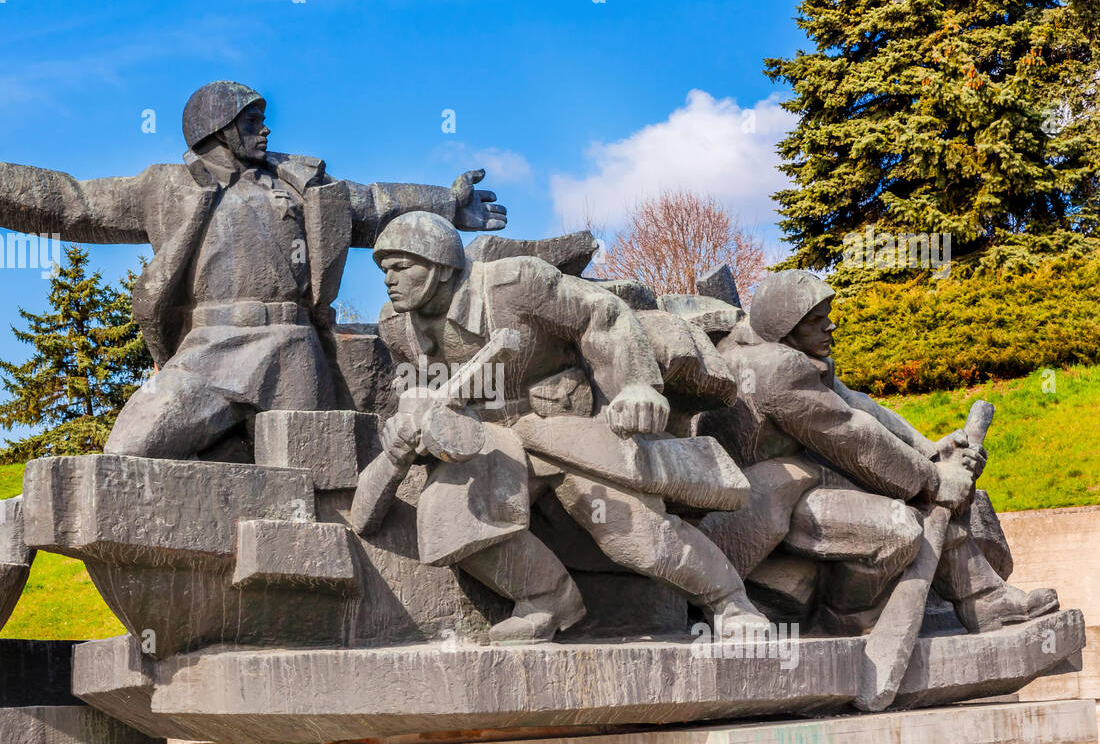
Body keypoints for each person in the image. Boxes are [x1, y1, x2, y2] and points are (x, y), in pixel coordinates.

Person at [0, 81, 507, 460]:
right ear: (217, 131)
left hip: (291, 346)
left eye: (262, 120)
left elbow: (376, 202)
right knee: (129, 450)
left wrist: (449, 204)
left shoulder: (305, 184)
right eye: (252, 122)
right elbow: (75, 203)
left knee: (315, 474)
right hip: (209, 346)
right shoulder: (166, 187)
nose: (267, 130)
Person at [354, 212, 769, 644]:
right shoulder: (397, 324)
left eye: (400, 267)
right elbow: (418, 386)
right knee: (451, 516)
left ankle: (731, 602)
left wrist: (635, 385)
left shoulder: (515, 284)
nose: (389, 279)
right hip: (484, 438)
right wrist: (411, 420)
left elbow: (602, 316)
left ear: (440, 265)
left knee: (633, 535)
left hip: (561, 424)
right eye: (384, 269)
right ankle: (545, 598)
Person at [697, 271, 1058, 633]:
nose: (831, 327)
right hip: (762, 498)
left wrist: (930, 451)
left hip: (800, 475)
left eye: (828, 315)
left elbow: (859, 407)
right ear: (786, 326)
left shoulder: (792, 352)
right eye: (818, 320)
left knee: (922, 500)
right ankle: (843, 620)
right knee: (898, 530)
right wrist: (934, 480)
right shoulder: (774, 368)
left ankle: (985, 601)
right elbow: (848, 433)